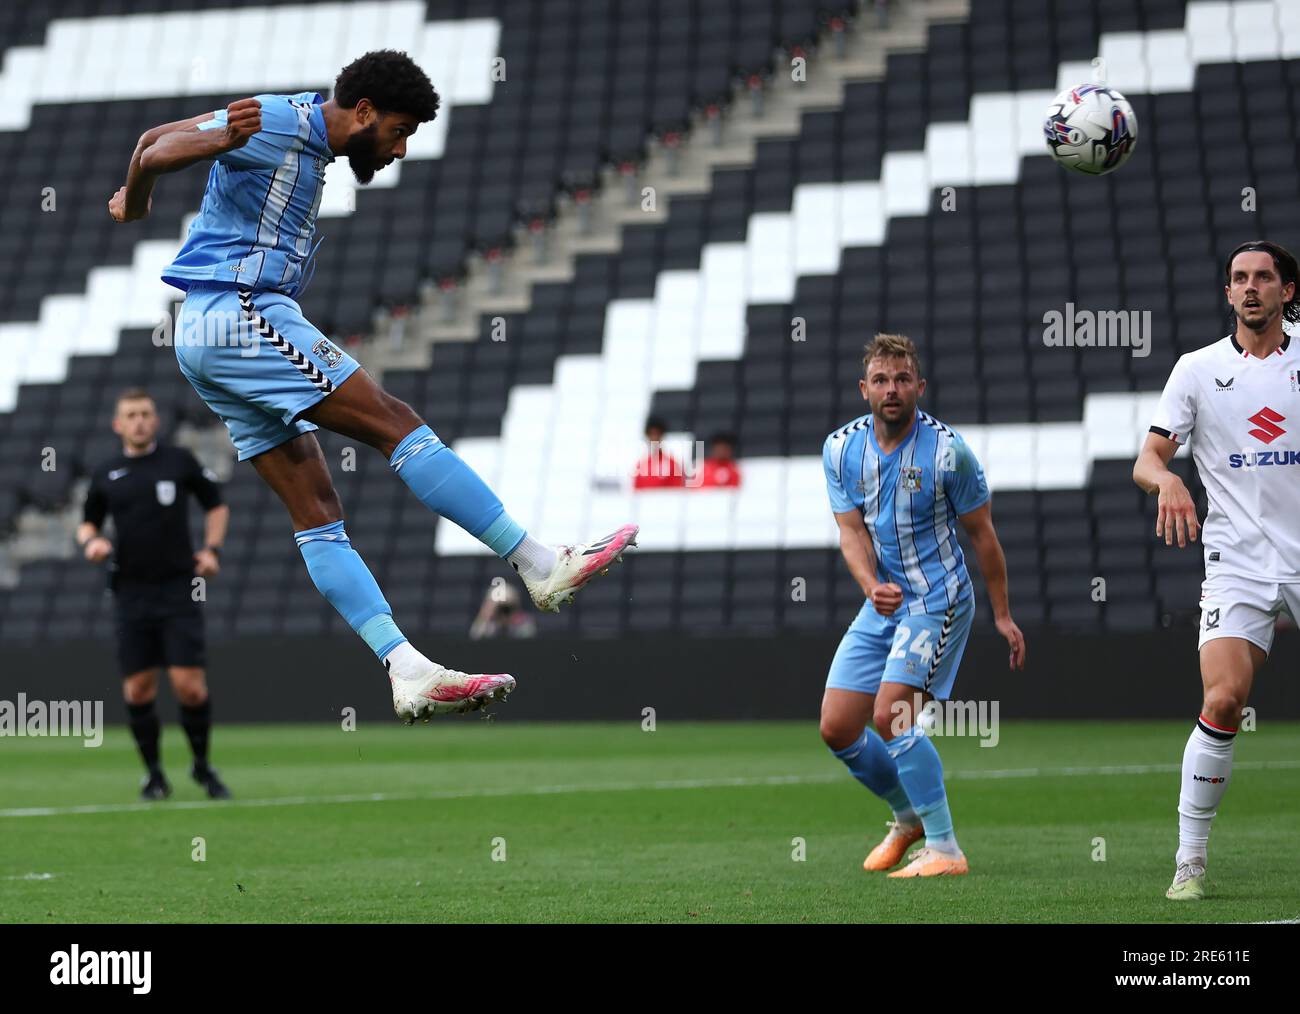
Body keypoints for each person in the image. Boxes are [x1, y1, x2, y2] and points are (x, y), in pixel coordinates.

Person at [108, 50, 636, 721]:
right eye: (398, 130)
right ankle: (537, 563)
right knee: (394, 421)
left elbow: (149, 147)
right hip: (236, 309)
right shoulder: (276, 121)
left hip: (207, 331)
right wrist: (206, 147)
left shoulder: (301, 126)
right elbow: (159, 149)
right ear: (364, 112)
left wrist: (139, 202)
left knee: (318, 510)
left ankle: (405, 666)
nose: (402, 147)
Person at [819, 333, 1025, 877]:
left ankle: (945, 849)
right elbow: (850, 531)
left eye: (902, 379)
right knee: (838, 727)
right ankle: (907, 816)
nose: (892, 389)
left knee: (891, 716)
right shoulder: (840, 449)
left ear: (920, 387)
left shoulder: (948, 452)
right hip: (882, 602)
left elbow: (983, 536)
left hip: (938, 600)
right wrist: (868, 584)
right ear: (864, 389)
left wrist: (1002, 615)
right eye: (881, 380)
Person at [1134, 239, 1300, 901]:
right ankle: (1189, 863)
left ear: (1289, 290)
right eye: (1239, 278)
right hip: (1239, 567)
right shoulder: (1197, 370)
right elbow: (1148, 458)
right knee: (1223, 700)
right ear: (1228, 294)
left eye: (1264, 277)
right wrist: (1166, 481)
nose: (1251, 287)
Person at [78, 389, 232, 801]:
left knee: (190, 688)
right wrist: (91, 542)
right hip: (130, 593)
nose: (140, 421)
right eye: (131, 415)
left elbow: (215, 504)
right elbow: (87, 523)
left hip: (178, 589)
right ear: (118, 424)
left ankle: (202, 766)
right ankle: (154, 775)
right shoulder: (107, 472)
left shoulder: (178, 462)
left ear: (156, 420)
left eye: (145, 413)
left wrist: (211, 550)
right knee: (139, 690)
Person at [469, 582, 537, 640]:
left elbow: (529, 637)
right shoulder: (489, 627)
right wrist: (485, 615)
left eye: (507, 608)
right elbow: (475, 636)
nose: (503, 612)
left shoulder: (523, 625)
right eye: (499, 608)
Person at [632, 416, 685, 489]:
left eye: (657, 434)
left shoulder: (673, 465)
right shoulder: (640, 466)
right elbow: (636, 492)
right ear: (647, 437)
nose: (654, 438)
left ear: (662, 436)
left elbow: (676, 493)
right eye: (651, 434)